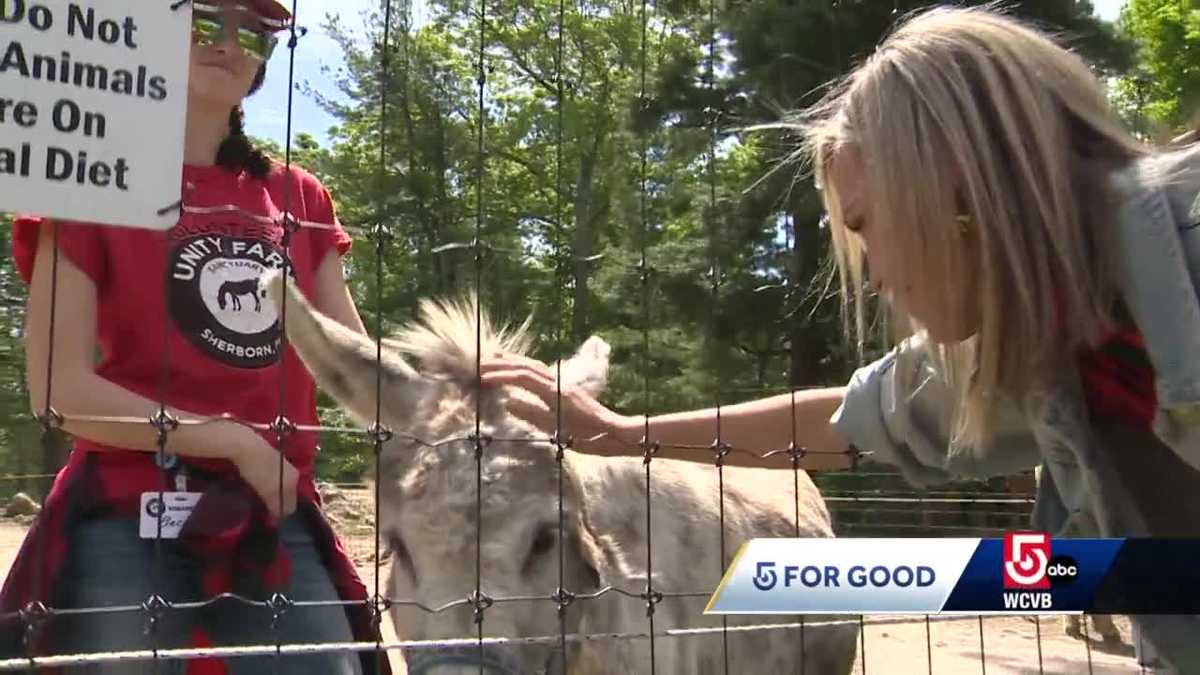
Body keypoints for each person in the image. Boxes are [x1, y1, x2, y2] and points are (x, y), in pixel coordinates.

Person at [479, 7, 1200, 673]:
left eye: (860, 225)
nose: (874, 274)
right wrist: (616, 433)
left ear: (952, 184)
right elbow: (852, 420)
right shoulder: (1049, 341)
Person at [0, 2, 388, 674]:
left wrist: (518, 390)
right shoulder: (89, 178)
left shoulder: (301, 197)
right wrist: (235, 440)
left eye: (257, 30)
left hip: (274, 506)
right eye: (207, 21)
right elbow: (60, 392)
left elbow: (365, 372)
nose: (230, 43)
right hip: (126, 503)